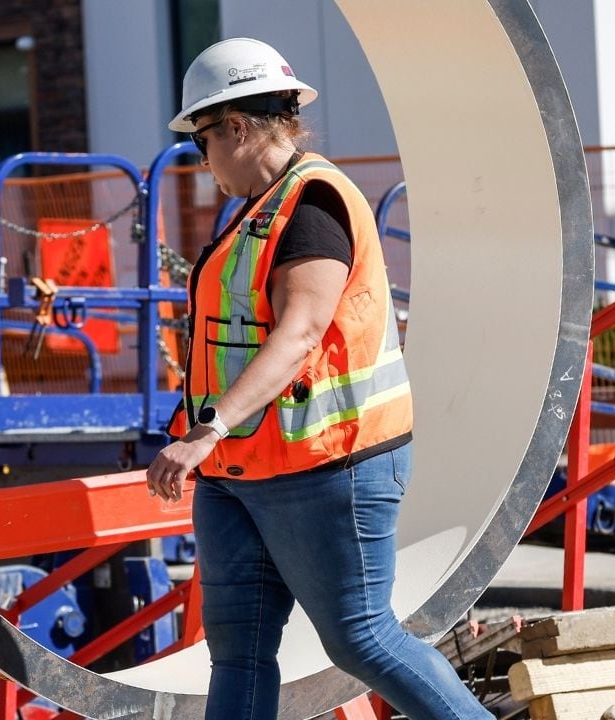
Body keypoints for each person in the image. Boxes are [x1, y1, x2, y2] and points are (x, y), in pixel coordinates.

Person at [146, 38, 491, 720]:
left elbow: (299, 333)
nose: (201, 161)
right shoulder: (257, 209)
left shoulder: (313, 204)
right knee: (238, 652)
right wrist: (215, 446)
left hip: (328, 466)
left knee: (360, 636)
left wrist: (206, 431)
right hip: (242, 473)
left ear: (238, 128)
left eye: (201, 141)